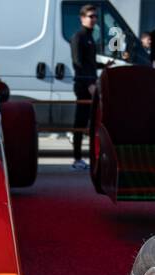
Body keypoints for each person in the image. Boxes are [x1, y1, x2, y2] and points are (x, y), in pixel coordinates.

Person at [70, 4, 99, 171]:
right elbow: (77, 63)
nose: (94, 19)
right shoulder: (78, 36)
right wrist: (89, 84)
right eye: (90, 16)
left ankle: (88, 157)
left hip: (90, 83)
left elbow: (90, 62)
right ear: (82, 18)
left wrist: (104, 63)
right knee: (80, 123)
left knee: (91, 123)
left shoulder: (89, 37)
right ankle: (77, 158)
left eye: (95, 16)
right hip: (83, 86)